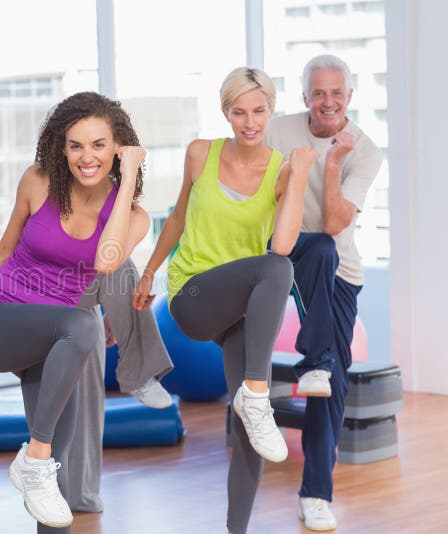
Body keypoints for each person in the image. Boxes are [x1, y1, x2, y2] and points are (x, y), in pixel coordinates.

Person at [0, 92, 150, 532]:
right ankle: (33, 459)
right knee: (83, 323)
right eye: (75, 145)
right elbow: (2, 250)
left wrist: (127, 180)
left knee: (52, 474)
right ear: (61, 147)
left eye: (99, 145)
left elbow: (107, 262)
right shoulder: (38, 180)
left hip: (52, 340)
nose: (86, 157)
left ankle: (36, 465)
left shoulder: (134, 216)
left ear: (119, 148)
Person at [133, 67, 318, 534]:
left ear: (271, 111)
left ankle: (237, 528)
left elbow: (282, 241)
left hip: (240, 310)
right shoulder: (201, 153)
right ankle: (257, 398)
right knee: (278, 269)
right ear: (226, 112)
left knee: (248, 433)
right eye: (239, 112)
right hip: (193, 294)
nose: (249, 121)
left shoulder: (279, 171)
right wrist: (151, 270)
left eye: (259, 111)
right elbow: (176, 217)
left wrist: (297, 176)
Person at [267, 54, 383, 532]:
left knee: (331, 379)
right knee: (312, 249)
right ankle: (315, 361)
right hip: (280, 253)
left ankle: (315, 494)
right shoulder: (277, 130)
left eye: (337, 93)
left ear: (350, 97)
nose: (327, 101)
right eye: (319, 92)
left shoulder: (366, 149)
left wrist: (333, 162)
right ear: (305, 97)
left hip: (336, 267)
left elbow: (336, 225)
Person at [68, 259, 175, 513]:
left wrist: (116, 309)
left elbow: (117, 241)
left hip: (81, 293)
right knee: (117, 264)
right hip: (40, 286)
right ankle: (139, 373)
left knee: (87, 396)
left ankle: (79, 493)